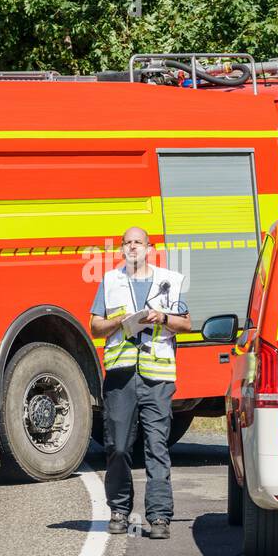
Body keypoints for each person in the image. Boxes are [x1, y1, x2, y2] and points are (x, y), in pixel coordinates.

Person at [89, 227, 190, 539]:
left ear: (149, 248)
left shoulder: (169, 281)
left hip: (157, 378)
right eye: (127, 243)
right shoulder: (110, 281)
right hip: (120, 377)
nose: (132, 247)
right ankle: (119, 509)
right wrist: (119, 322)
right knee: (117, 447)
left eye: (138, 242)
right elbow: (95, 327)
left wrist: (161, 318)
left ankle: (159, 517)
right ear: (121, 249)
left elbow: (186, 324)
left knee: (156, 446)